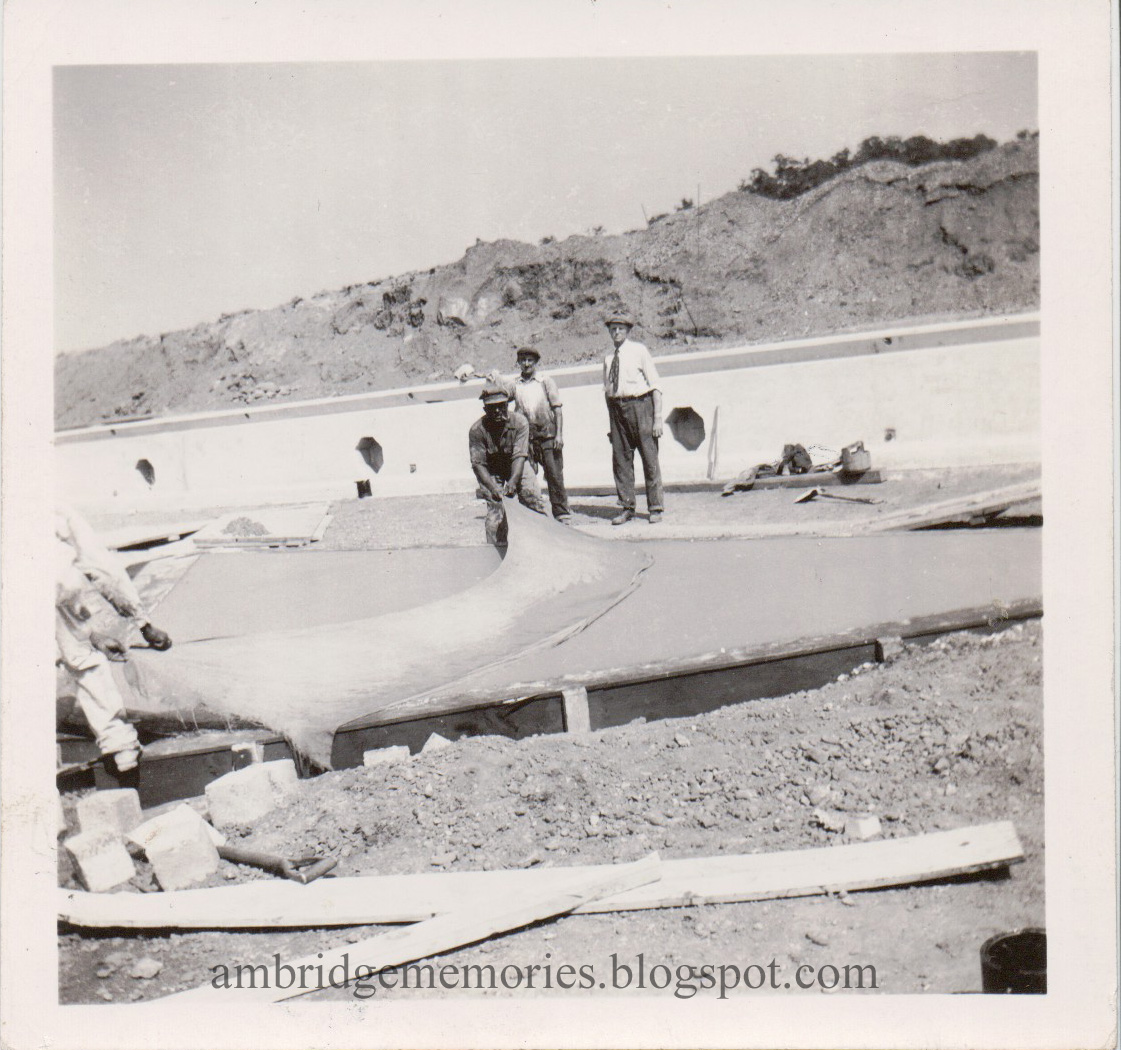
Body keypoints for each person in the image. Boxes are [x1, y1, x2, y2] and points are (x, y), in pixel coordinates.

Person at [55, 505, 173, 773]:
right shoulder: (55, 511)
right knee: (85, 661)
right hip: (54, 594)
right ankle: (119, 746)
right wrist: (141, 622)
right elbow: (97, 567)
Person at [602, 310, 664, 524]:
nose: (616, 332)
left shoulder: (639, 351)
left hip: (641, 407)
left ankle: (655, 507)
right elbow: (608, 391)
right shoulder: (609, 359)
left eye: (620, 328)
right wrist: (612, 423)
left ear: (627, 331)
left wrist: (657, 419)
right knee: (621, 461)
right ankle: (627, 507)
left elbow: (656, 386)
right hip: (617, 411)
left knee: (649, 458)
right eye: (613, 329)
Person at [468, 383, 545, 546]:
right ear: (485, 410)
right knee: (496, 513)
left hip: (516, 465)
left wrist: (513, 481)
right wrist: (493, 488)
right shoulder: (477, 430)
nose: (497, 411)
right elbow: (478, 464)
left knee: (533, 498)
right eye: (492, 407)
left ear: (507, 405)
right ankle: (496, 552)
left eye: (501, 406)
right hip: (492, 469)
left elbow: (519, 456)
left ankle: (540, 544)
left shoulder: (520, 422)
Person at [509, 346, 571, 523]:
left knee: (554, 473)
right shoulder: (515, 384)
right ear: (519, 362)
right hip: (527, 437)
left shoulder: (545, 381)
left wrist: (559, 435)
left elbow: (557, 409)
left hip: (548, 434)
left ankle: (562, 513)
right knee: (526, 475)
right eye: (523, 360)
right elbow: (502, 395)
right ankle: (532, 513)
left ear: (536, 362)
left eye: (530, 360)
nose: (526, 364)